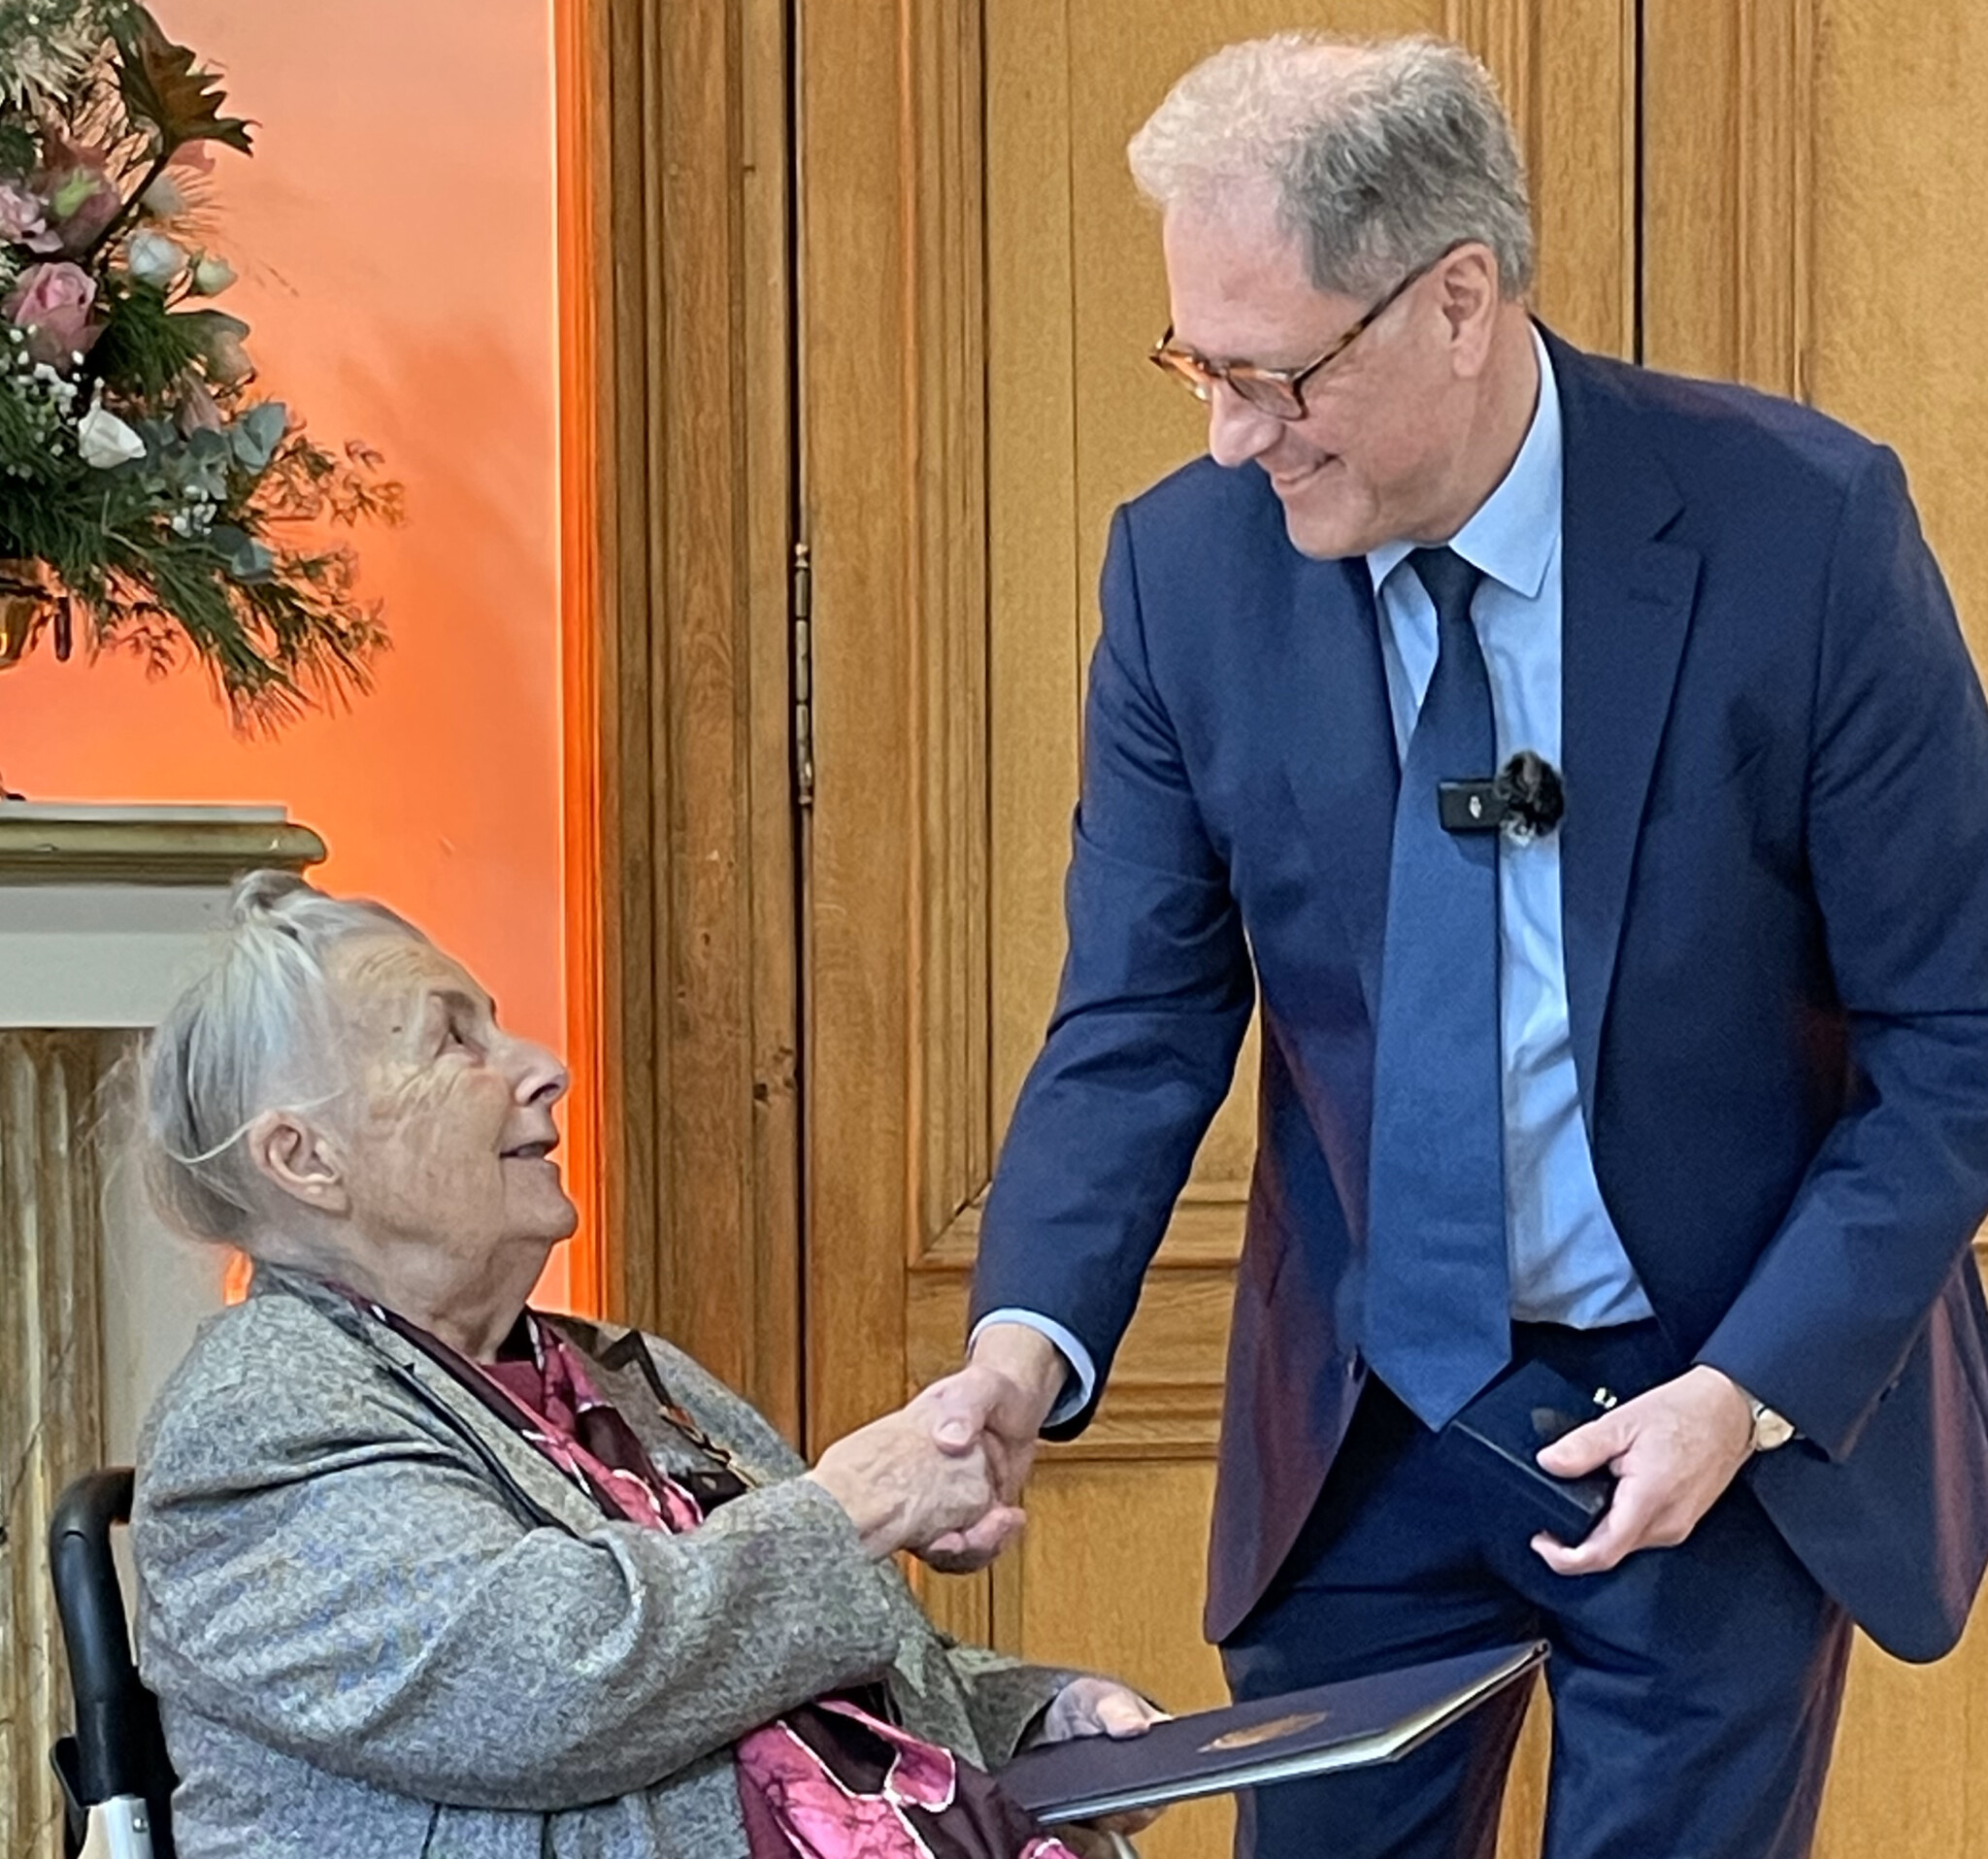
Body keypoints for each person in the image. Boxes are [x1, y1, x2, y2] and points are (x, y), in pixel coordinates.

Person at [918, 30, 1988, 1859]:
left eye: (1271, 376)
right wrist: (1019, 1351)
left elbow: (1955, 1034)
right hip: (1363, 1430)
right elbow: (1140, 1018)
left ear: (1456, 299)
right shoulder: (1186, 572)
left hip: (1709, 1402)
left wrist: (1740, 1397)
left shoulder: (1798, 532)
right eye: (1198, 366)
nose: (1228, 434)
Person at [130, 872, 1161, 1859]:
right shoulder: (259, 1420)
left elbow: (773, 1671)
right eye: (454, 1038)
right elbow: (545, 1683)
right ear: (306, 1159)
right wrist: (854, 1507)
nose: (542, 1064)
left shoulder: (617, 1373)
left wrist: (1026, 1719)